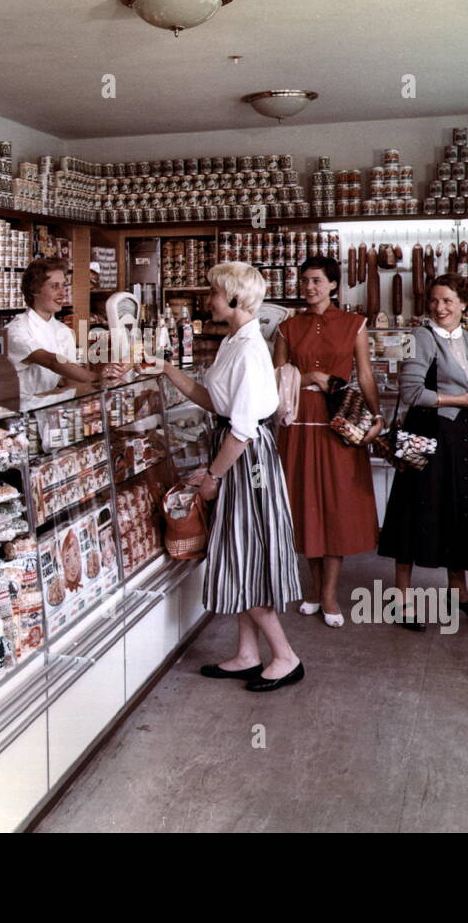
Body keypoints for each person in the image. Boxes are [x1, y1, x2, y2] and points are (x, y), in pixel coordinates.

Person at [150, 262, 305, 691]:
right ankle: (248, 653)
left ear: (234, 299)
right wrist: (167, 370)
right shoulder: (234, 342)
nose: (209, 300)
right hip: (238, 459)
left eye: (215, 293)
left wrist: (213, 476)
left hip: (246, 464)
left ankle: (286, 657)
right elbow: (213, 400)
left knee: (246, 559)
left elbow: (242, 429)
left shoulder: (251, 350)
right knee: (242, 555)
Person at [377, 274, 468, 630]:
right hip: (423, 433)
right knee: (411, 514)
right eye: (434, 300)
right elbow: (413, 393)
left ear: (464, 304)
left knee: (459, 512)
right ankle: (400, 600)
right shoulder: (422, 337)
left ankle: (458, 593)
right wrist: (461, 399)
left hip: (456, 435)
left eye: (447, 301)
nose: (439, 307)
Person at [272, 256, 384, 626]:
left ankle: (330, 595)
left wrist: (376, 416)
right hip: (299, 423)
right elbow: (276, 379)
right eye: (304, 280)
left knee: (335, 509)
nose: (309, 287)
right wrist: (313, 376)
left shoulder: (354, 324)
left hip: (340, 422)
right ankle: (314, 590)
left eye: (317, 281)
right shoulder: (287, 327)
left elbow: (365, 375)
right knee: (305, 507)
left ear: (334, 285)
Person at [7, 258, 124, 398]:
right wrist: (97, 377)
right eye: (55, 286)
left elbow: (71, 380)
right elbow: (52, 361)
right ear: (35, 290)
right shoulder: (17, 329)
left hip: (49, 407)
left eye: (64, 286)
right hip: (22, 409)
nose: (63, 293)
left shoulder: (63, 330)